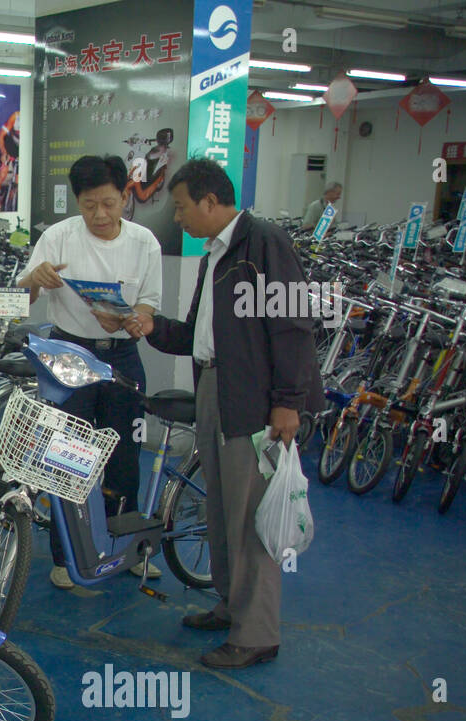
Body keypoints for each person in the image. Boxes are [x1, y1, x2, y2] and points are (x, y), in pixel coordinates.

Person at [116, 158, 324, 669]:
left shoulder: (265, 244)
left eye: (183, 207)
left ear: (211, 202)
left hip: (254, 401)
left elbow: (295, 325)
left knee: (250, 518)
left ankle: (256, 635)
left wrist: (288, 403)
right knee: (220, 512)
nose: (179, 217)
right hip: (213, 386)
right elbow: (195, 334)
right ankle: (230, 605)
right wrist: (147, 326)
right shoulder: (217, 253)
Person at [16, 154, 163, 588]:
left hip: (122, 356)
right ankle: (67, 556)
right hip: (68, 354)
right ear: (77, 202)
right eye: (88, 205)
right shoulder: (58, 237)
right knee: (67, 456)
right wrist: (33, 281)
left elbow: (149, 303)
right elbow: (20, 301)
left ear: (124, 199)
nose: (99, 214)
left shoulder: (144, 243)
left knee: (125, 456)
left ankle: (128, 549)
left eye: (109, 203)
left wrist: (132, 319)